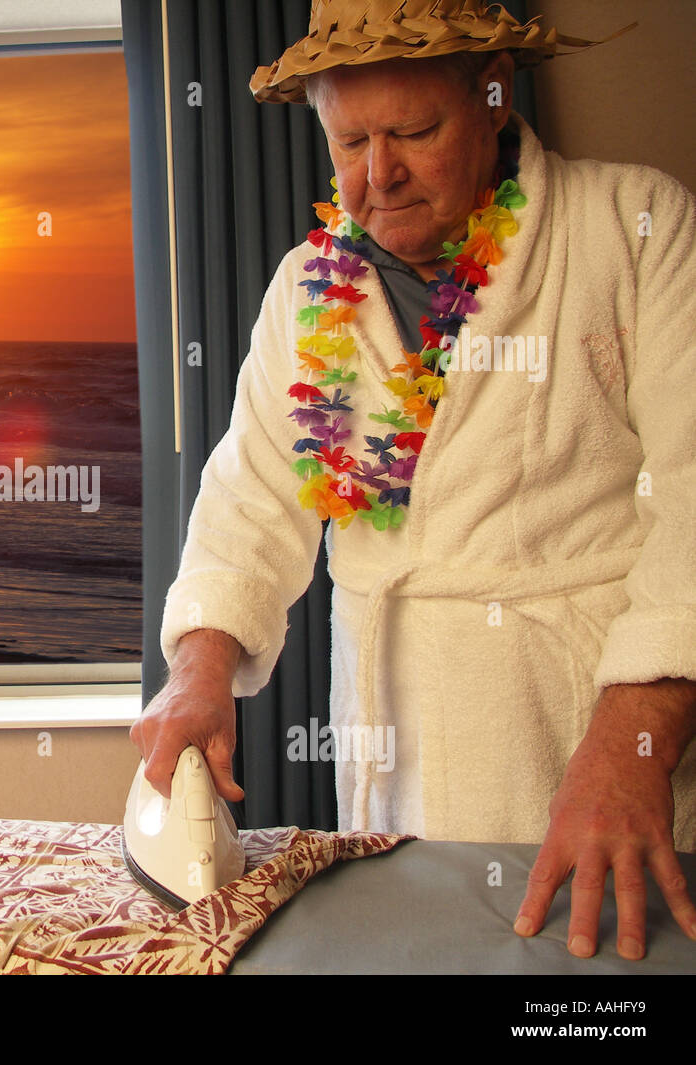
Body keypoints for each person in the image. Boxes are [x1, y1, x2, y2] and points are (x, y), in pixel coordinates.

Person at [130, 0, 696, 963]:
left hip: (590, 750)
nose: (376, 174)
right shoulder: (310, 286)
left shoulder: (632, 226)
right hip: (391, 742)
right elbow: (250, 499)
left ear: (492, 97)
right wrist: (199, 668)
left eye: (414, 133)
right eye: (348, 141)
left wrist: (635, 739)